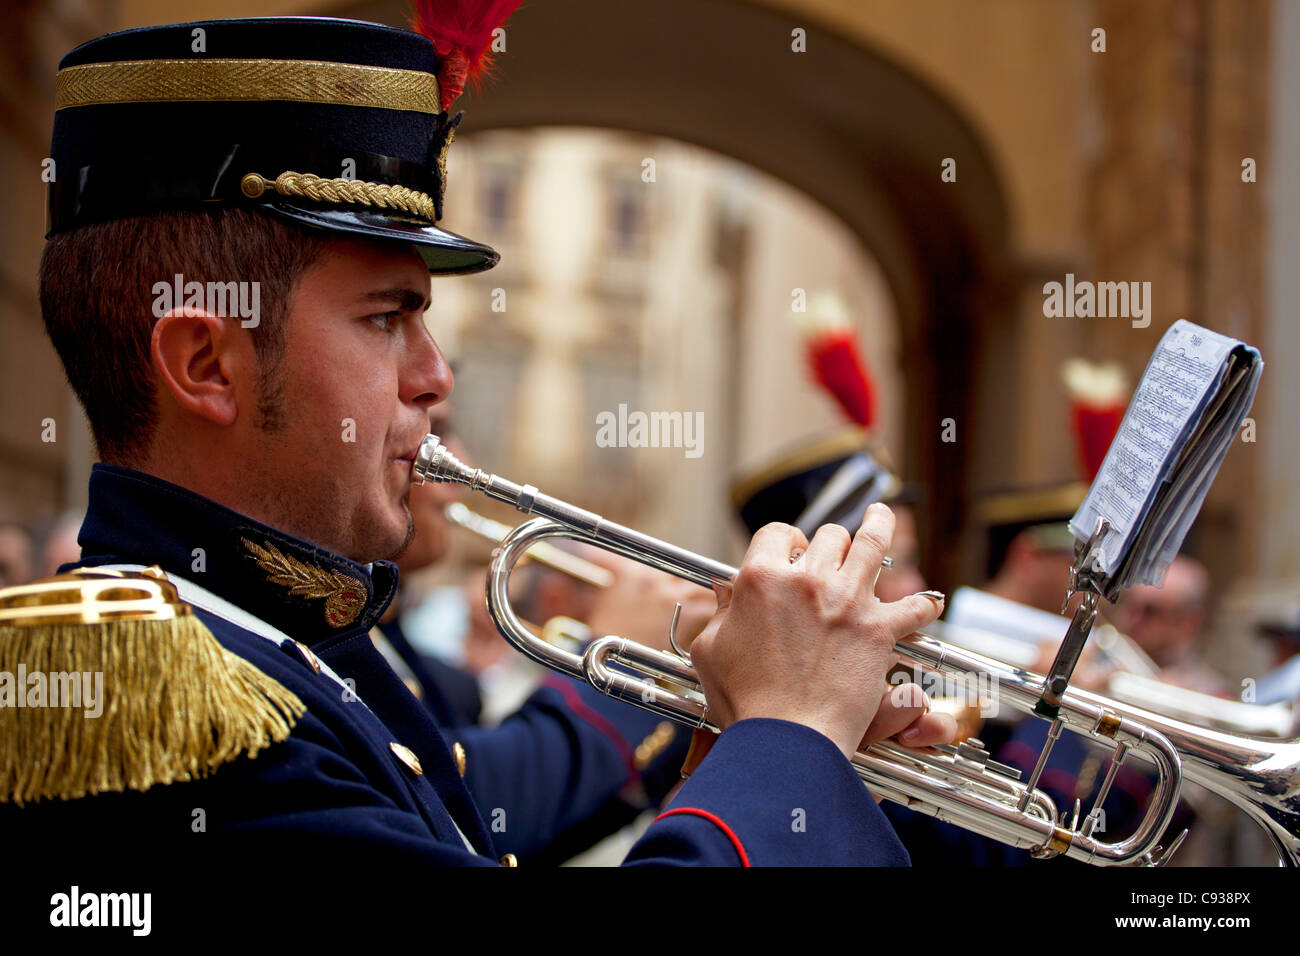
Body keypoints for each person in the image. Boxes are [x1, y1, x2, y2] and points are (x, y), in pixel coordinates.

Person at [2, 14, 955, 872]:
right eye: (387, 318)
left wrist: (742, 756)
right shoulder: (174, 707)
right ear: (207, 365)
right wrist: (790, 740)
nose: (437, 374)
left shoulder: (293, 643)